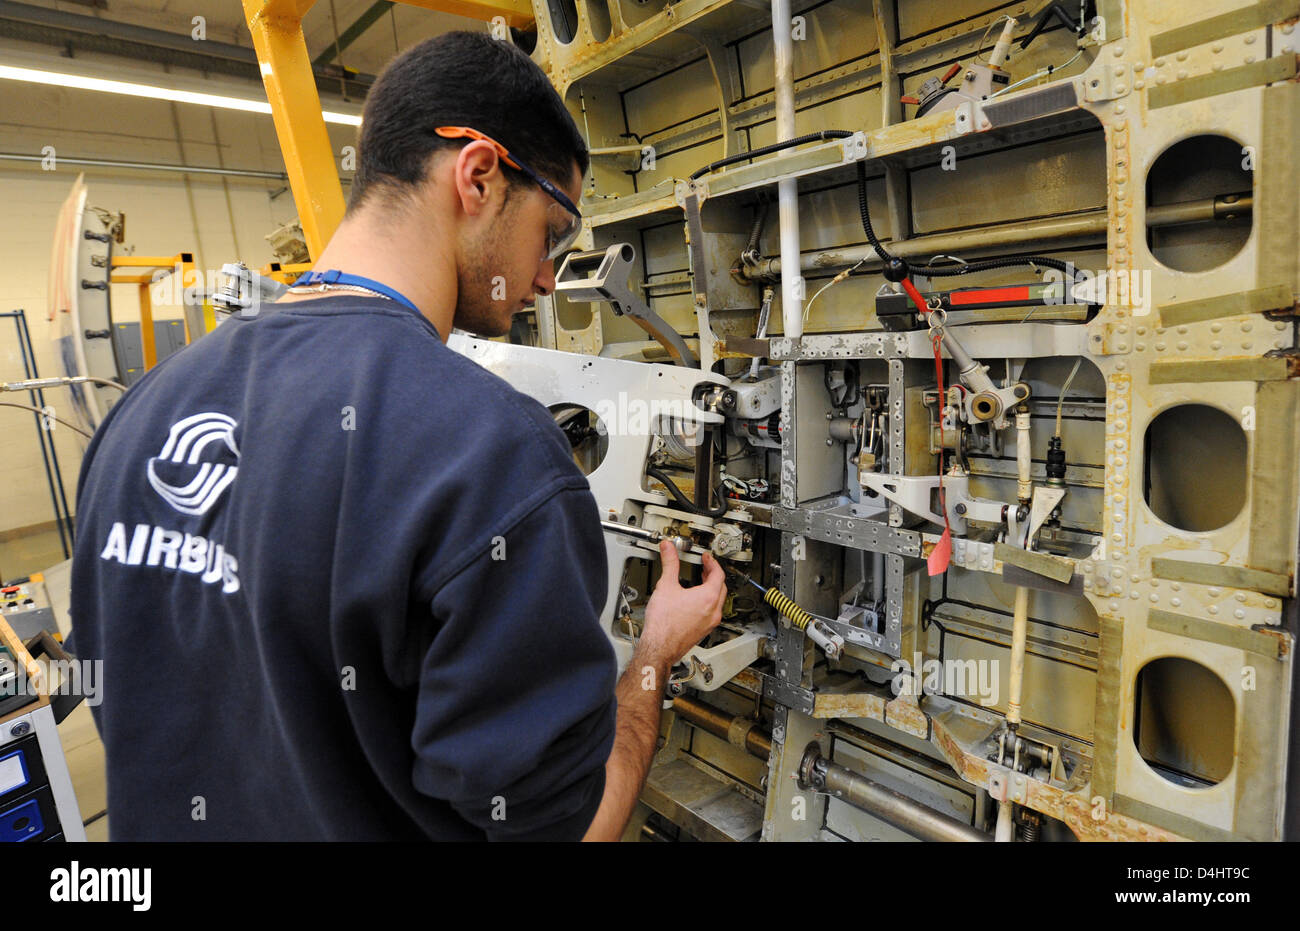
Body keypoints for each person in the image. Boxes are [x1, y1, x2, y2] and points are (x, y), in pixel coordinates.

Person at [68, 30, 725, 841]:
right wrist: (654, 653)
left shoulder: (141, 413)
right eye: (553, 231)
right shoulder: (494, 452)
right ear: (479, 174)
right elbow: (575, 828)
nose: (551, 276)